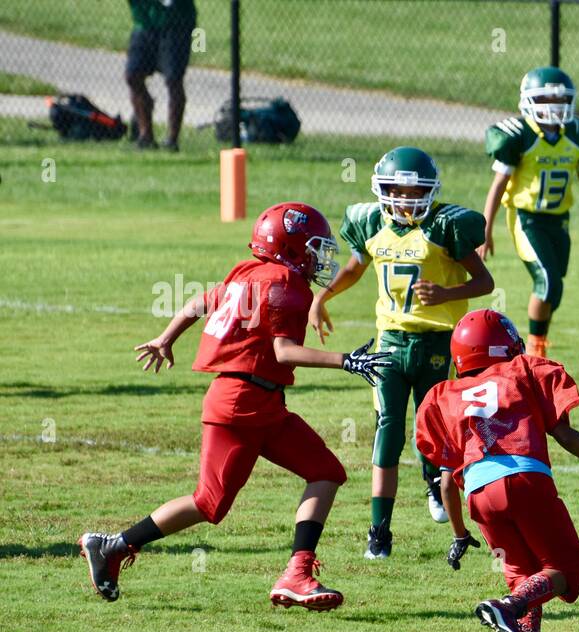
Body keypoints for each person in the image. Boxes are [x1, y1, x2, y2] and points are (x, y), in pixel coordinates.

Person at [78, 203, 391, 609]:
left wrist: (166, 338)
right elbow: (283, 352)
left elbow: (199, 302)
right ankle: (114, 545)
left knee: (325, 471)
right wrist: (346, 361)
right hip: (242, 404)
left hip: (261, 402)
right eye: (312, 247)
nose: (318, 257)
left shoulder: (247, 272)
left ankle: (297, 573)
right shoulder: (285, 284)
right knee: (209, 503)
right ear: (290, 247)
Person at [415, 309, 579, 632]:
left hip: (477, 493)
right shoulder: (521, 370)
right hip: (524, 479)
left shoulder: (444, 395)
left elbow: (446, 481)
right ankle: (507, 608)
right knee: (566, 568)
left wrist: (459, 535)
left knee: (524, 573)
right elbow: (564, 433)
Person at [309, 147, 493, 559]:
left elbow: (484, 281)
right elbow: (356, 265)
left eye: (416, 191)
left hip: (437, 341)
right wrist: (322, 297)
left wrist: (447, 293)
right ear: (382, 188)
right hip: (390, 340)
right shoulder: (372, 222)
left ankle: (433, 480)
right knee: (388, 433)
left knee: (432, 431)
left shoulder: (446, 226)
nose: (407, 199)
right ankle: (379, 532)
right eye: (399, 190)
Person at [480, 67, 579, 358]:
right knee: (547, 281)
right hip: (526, 218)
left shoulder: (577, 136)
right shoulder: (521, 137)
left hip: (559, 220)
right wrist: (486, 229)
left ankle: (540, 339)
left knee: (556, 288)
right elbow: (498, 185)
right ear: (528, 101)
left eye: (559, 99)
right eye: (545, 99)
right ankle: (533, 348)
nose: (553, 106)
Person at [125, 0, 197, 151]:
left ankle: (172, 139)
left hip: (176, 26)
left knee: (173, 80)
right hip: (143, 25)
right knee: (133, 76)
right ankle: (146, 136)